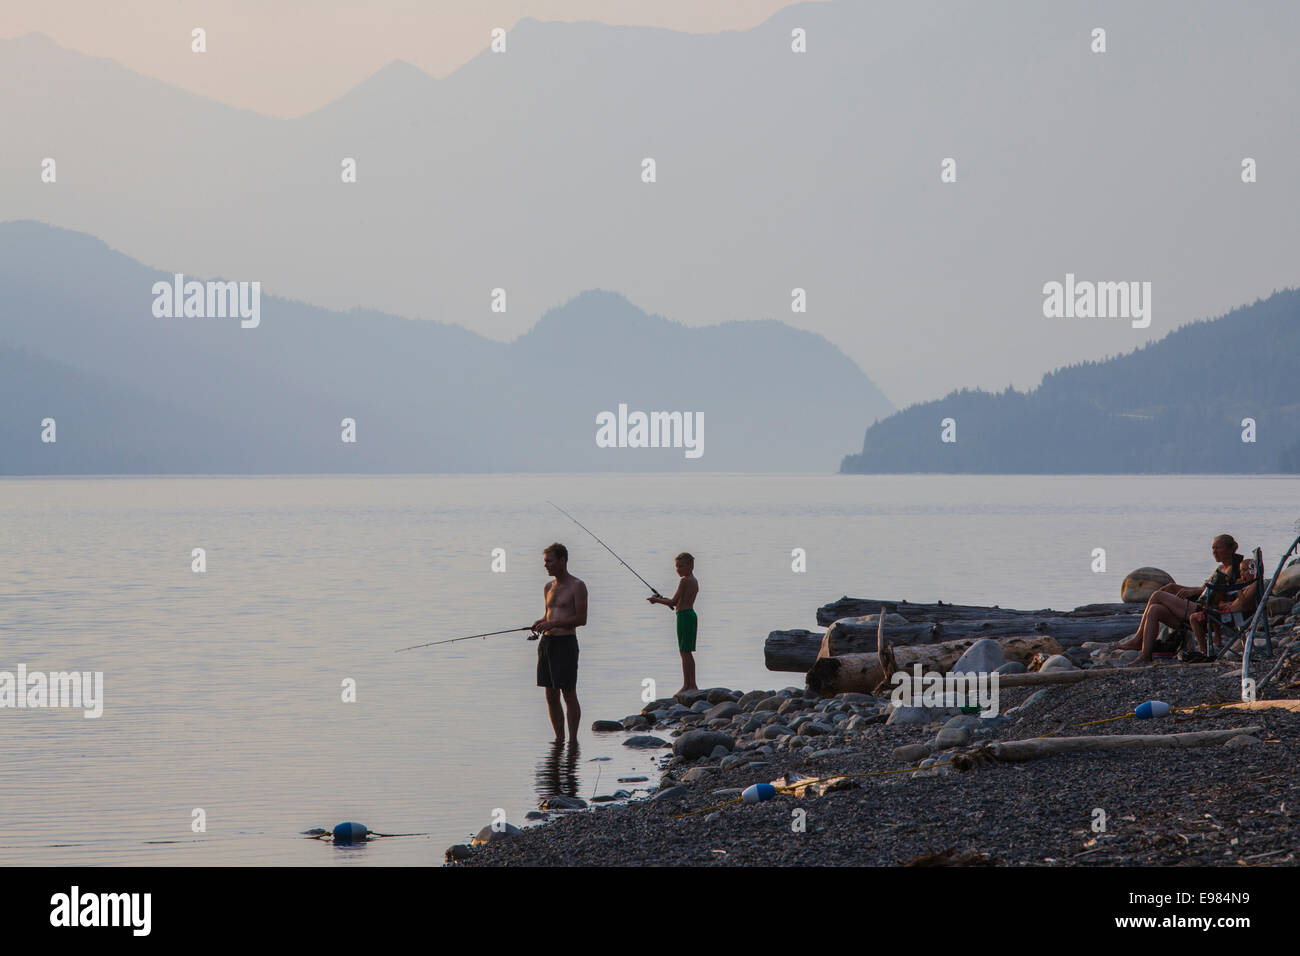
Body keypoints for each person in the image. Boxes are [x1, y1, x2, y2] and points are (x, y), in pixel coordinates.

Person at [1116, 534, 1257, 663]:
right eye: (1212, 548)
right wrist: (1176, 588)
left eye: (1217, 548)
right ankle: (1145, 655)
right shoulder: (1221, 568)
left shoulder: (1237, 569)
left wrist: (1193, 591)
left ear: (1230, 549)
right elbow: (1203, 589)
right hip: (1202, 605)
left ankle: (1137, 639)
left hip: (1209, 612)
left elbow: (1222, 594)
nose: (1214, 551)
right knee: (1155, 610)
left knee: (1157, 595)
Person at [531, 543, 587, 744]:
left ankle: (573, 741)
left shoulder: (577, 586)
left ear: (562, 560)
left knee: (568, 693)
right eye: (545, 562)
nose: (546, 565)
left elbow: (581, 618)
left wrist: (553, 622)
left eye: (550, 561)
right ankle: (559, 739)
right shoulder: (548, 587)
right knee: (550, 694)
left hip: (566, 644)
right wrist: (541, 622)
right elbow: (549, 614)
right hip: (547, 643)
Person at [647, 552, 699, 694]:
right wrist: (663, 599)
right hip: (689, 614)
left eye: (681, 566)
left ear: (691, 565)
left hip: (684, 616)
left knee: (685, 652)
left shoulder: (684, 581)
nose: (678, 569)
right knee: (686, 652)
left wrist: (656, 600)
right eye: (676, 567)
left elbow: (673, 602)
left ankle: (689, 685)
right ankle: (690, 684)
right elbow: (677, 601)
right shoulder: (693, 580)